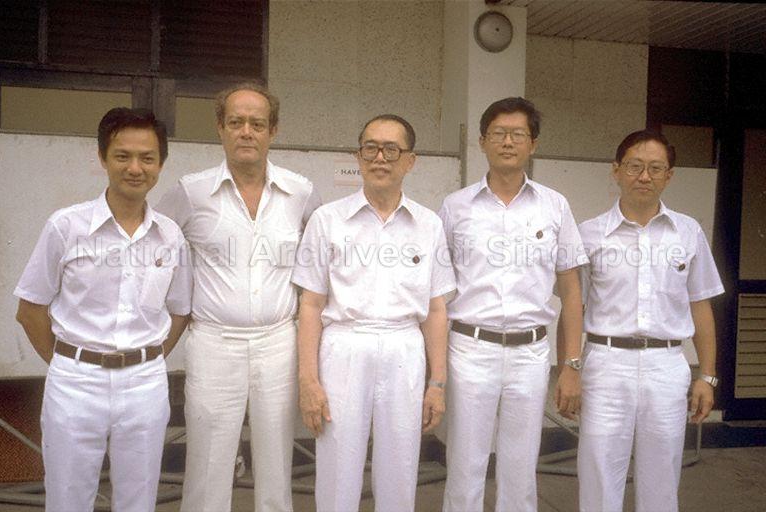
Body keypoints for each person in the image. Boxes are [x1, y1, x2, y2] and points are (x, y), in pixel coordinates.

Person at [14, 107, 192, 512]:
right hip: (76, 383)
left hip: (145, 384)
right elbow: (30, 309)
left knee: (139, 498)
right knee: (68, 497)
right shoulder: (66, 227)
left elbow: (180, 310)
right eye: (122, 156)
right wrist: (70, 362)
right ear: (102, 158)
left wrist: (146, 360)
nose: (135, 168)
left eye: (147, 158)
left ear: (161, 164)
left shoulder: (170, 235)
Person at [156, 82, 320, 512]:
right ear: (220, 128)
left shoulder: (300, 193)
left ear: (273, 131)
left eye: (257, 123)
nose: (246, 131)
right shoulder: (191, 192)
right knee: (209, 458)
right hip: (214, 341)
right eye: (236, 122)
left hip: (278, 341)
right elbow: (153, 252)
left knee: (275, 458)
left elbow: (319, 267)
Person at [292, 114, 455, 511]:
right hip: (344, 346)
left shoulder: (428, 225)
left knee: (400, 466)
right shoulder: (327, 220)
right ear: (358, 155)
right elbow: (310, 305)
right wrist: (309, 381)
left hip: (404, 347)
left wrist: (437, 383)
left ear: (410, 161)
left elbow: (436, 309)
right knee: (336, 468)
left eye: (392, 150)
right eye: (371, 148)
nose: (380, 157)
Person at [439, 97, 587, 511]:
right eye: (499, 134)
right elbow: (435, 289)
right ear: (483, 141)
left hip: (531, 352)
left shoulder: (554, 206)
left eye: (518, 134)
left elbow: (571, 289)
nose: (508, 142)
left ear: (533, 144)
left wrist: (571, 365)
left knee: (521, 467)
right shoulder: (455, 207)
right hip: (470, 348)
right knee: (466, 462)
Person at [573, 130, 724, 512]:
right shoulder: (588, 234)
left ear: (669, 176)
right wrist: (571, 367)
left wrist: (706, 376)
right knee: (598, 471)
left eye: (656, 168)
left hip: (666, 365)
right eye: (635, 167)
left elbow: (701, 305)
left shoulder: (687, 232)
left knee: (662, 475)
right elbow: (574, 307)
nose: (645, 176)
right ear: (616, 171)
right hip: (606, 364)